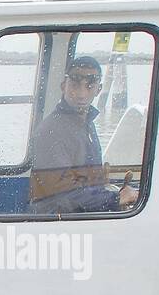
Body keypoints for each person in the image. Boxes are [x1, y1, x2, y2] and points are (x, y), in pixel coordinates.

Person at [28, 56, 138, 214]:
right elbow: (62, 195)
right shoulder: (52, 131)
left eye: (89, 86)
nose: (81, 94)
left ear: (98, 89)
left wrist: (108, 192)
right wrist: (115, 198)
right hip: (56, 223)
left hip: (80, 215)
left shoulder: (85, 123)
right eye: (74, 85)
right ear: (63, 86)